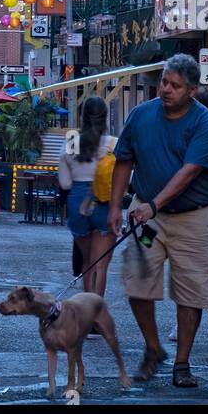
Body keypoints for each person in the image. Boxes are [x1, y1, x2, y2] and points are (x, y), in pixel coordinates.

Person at [108, 54, 208, 389]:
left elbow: (189, 172)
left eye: (175, 85)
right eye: (164, 82)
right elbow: (123, 161)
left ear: (192, 90)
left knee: (194, 291)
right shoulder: (141, 115)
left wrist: (154, 205)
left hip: (195, 218)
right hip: (148, 218)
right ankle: (153, 346)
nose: (166, 90)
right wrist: (116, 206)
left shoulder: (205, 123)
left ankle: (182, 362)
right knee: (137, 280)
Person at [166, 88, 208, 342]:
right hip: (206, 207)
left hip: (191, 207)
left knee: (192, 266)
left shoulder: (200, 134)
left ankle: (197, 320)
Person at [58, 96, 118, 297]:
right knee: (101, 264)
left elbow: (65, 183)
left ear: (82, 116)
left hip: (77, 201)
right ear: (105, 116)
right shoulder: (112, 143)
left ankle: (85, 310)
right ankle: (97, 313)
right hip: (104, 201)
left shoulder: (73, 139)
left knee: (87, 261)